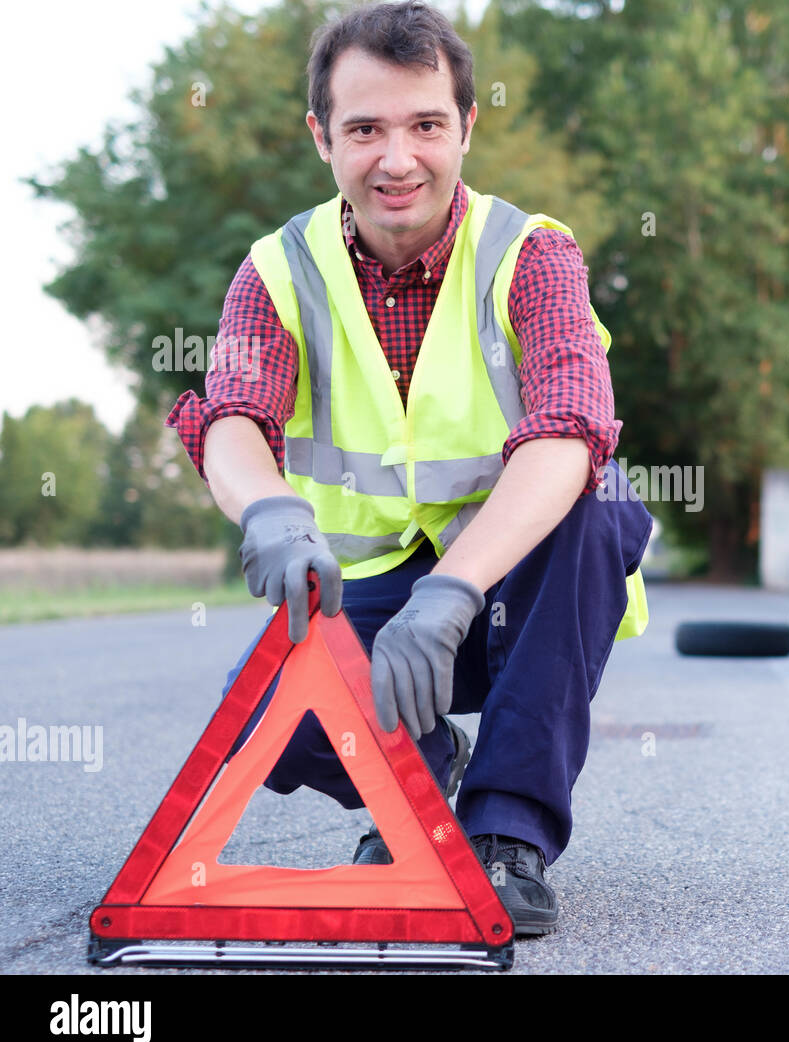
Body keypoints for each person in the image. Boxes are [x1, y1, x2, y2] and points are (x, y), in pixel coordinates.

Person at [165, 0, 652, 937]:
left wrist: (455, 588)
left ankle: (505, 832)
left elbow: (570, 428)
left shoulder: (532, 256)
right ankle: (416, 766)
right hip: (374, 600)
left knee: (596, 500)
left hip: (515, 594)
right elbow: (232, 415)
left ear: (467, 126)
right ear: (322, 137)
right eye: (365, 129)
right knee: (256, 716)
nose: (397, 159)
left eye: (426, 125)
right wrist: (267, 512)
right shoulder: (278, 269)